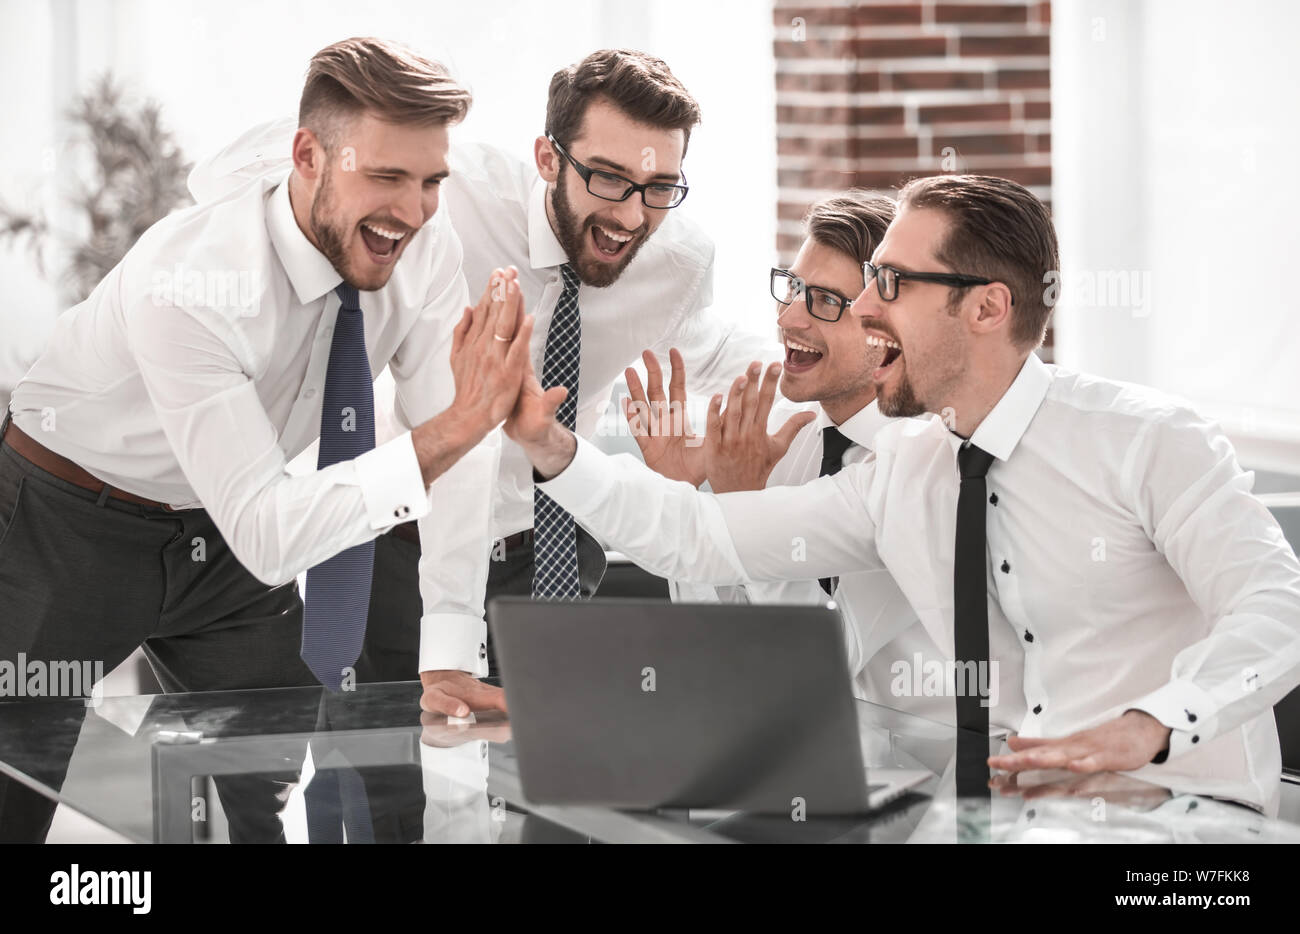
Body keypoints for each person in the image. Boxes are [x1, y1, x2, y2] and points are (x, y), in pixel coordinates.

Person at [492, 173, 1300, 814]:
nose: (868, 309)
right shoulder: (907, 474)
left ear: (987, 307)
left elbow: (1277, 602)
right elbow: (695, 535)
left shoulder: (1149, 439)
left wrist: (1152, 725)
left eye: (891, 283)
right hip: (1009, 822)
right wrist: (548, 445)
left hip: (1192, 831)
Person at [0, 37, 532, 841]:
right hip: (65, 521)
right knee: (18, 782)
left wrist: (449, 651)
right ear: (308, 157)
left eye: (431, 181)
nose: (416, 210)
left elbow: (456, 452)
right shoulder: (189, 282)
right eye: (386, 176)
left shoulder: (423, 247)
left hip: (222, 537)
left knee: (266, 775)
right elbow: (279, 528)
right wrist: (456, 428)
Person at [187, 49, 780, 714]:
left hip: (553, 547)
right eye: (609, 179)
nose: (633, 217)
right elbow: (218, 178)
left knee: (548, 772)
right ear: (549, 159)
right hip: (403, 554)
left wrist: (850, 372)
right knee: (387, 781)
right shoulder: (452, 191)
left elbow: (710, 348)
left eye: (659, 188)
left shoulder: (677, 261)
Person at [624, 191, 1017, 724]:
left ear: (889, 326)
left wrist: (744, 509)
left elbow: (818, 665)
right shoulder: (783, 439)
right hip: (777, 753)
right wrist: (686, 500)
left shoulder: (925, 464)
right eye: (793, 288)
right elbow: (720, 644)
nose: (790, 319)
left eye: (828, 302)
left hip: (917, 777)